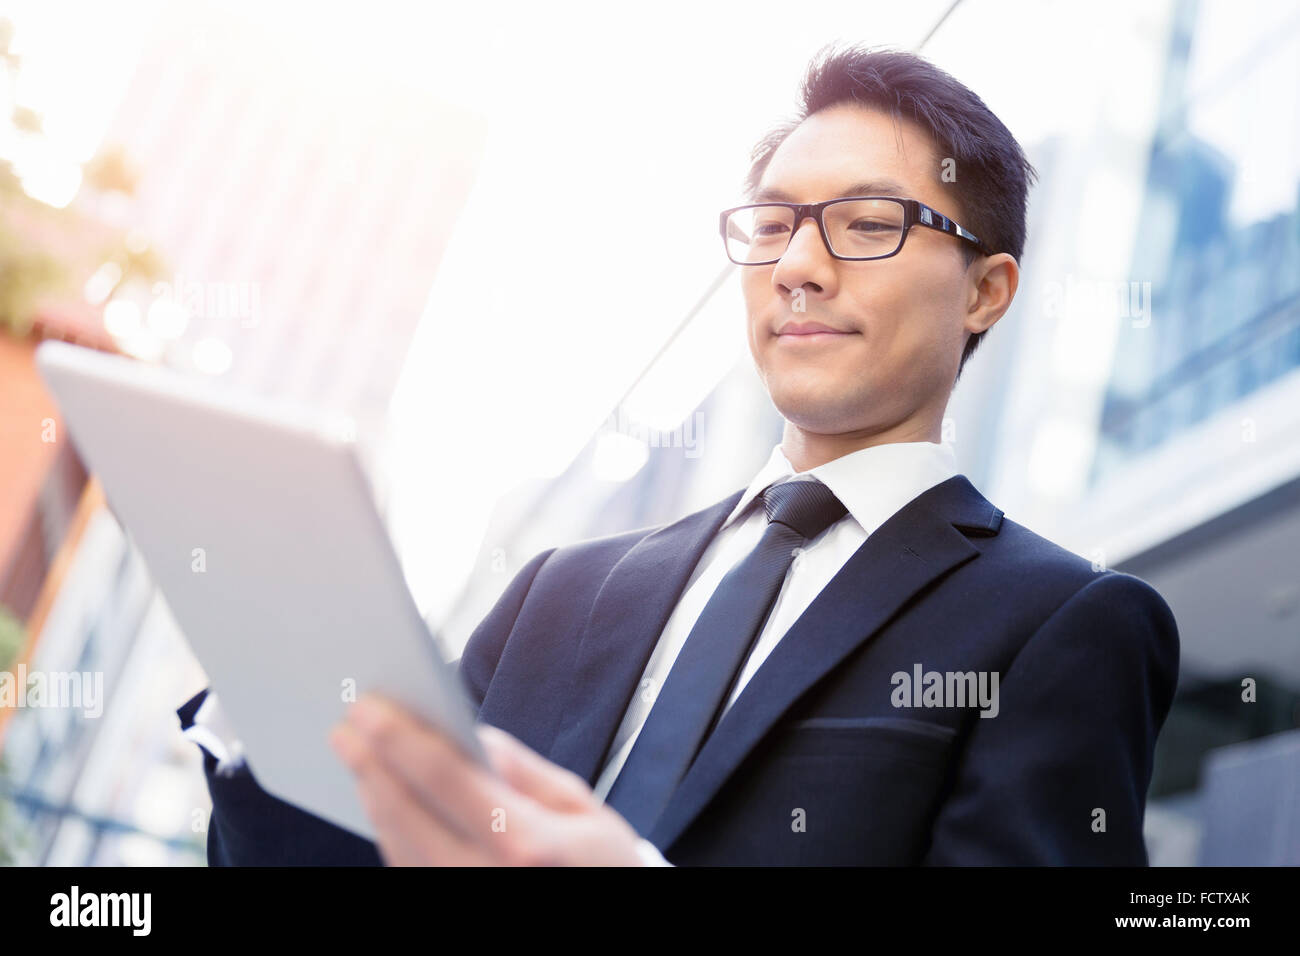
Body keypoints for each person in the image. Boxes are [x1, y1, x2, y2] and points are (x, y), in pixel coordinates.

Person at [178, 44, 1180, 866]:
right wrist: (264, 688)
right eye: (774, 223)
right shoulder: (557, 595)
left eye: (866, 224)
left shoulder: (1062, 623)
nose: (796, 266)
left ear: (985, 291)